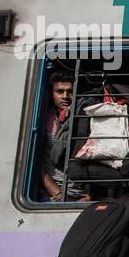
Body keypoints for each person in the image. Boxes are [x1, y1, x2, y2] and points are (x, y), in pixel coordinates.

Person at [36, 70, 91, 203]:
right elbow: (35, 161)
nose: (65, 96)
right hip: (53, 193)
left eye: (70, 91)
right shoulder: (44, 119)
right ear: (51, 93)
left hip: (83, 192)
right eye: (59, 91)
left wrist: (91, 194)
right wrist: (59, 194)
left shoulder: (85, 116)